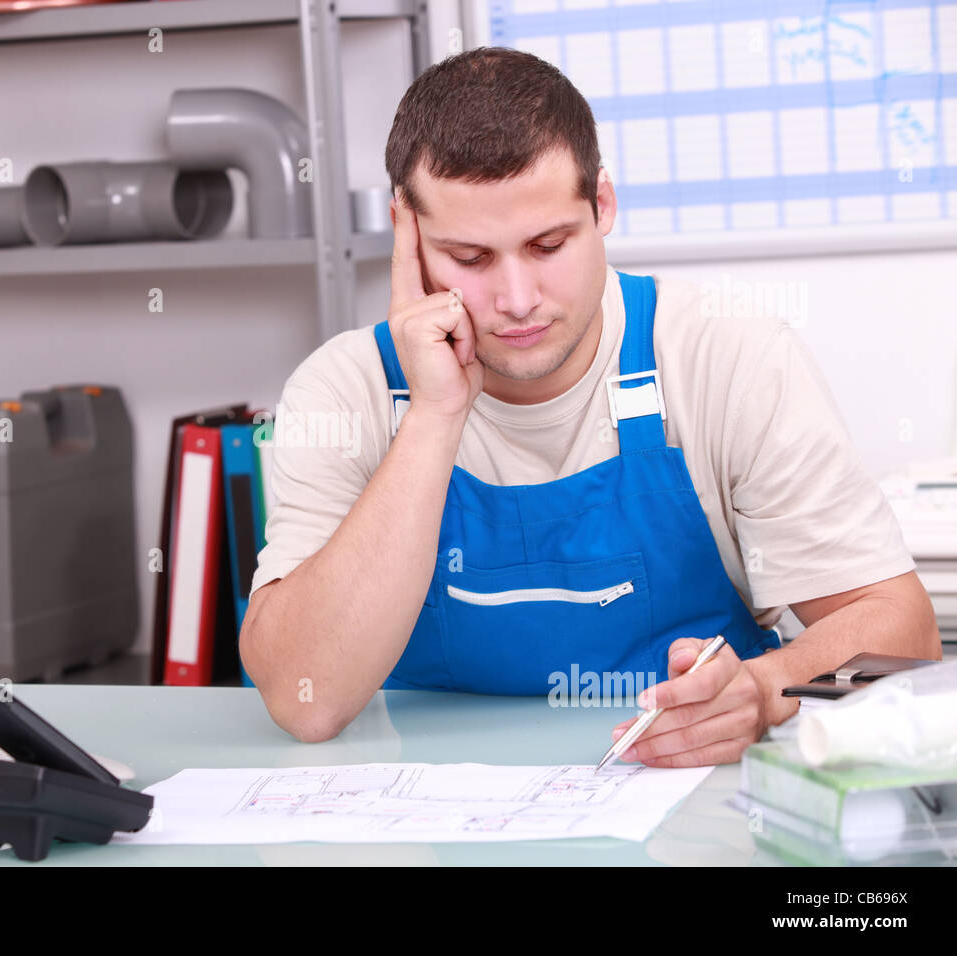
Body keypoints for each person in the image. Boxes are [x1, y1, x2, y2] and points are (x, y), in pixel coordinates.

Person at [239, 47, 940, 761]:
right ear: (407, 232)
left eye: (548, 244)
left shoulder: (728, 359)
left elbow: (904, 640)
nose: (516, 301)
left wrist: (766, 691)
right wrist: (433, 418)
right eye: (471, 258)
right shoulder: (342, 391)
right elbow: (309, 702)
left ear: (602, 204)